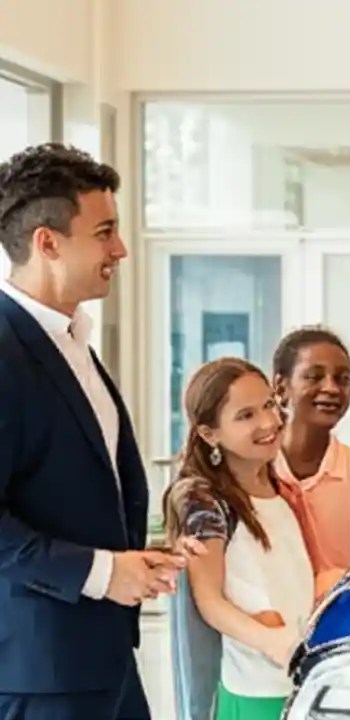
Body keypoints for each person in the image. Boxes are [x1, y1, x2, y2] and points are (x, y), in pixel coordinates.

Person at [0, 142, 197, 719]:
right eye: (105, 231)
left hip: (102, 659)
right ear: (47, 242)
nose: (122, 249)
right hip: (40, 673)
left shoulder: (72, 342)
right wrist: (104, 571)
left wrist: (136, 557)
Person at [163, 358, 316, 720]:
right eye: (245, 415)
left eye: (268, 405)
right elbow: (209, 600)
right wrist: (274, 642)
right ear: (209, 433)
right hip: (254, 686)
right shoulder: (202, 500)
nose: (268, 422)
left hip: (297, 679)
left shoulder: (277, 485)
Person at [271, 326, 350, 596]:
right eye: (314, 376)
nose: (331, 388)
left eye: (343, 379)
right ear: (280, 386)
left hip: (333, 620)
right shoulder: (254, 466)